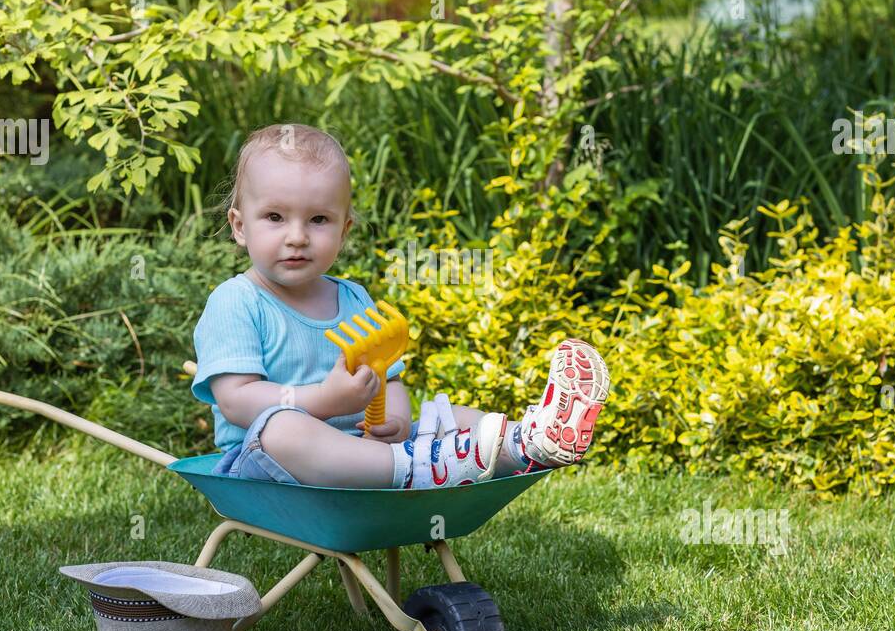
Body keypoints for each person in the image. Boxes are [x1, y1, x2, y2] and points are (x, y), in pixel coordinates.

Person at [191, 124, 609, 490]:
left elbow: (388, 381)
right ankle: (419, 467)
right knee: (282, 428)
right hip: (268, 465)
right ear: (240, 226)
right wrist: (324, 399)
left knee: (450, 415)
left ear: (344, 229)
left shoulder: (353, 298)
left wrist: (391, 420)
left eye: (318, 220)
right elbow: (237, 401)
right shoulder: (236, 301)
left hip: (364, 450)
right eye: (275, 217)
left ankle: (530, 442)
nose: (297, 236)